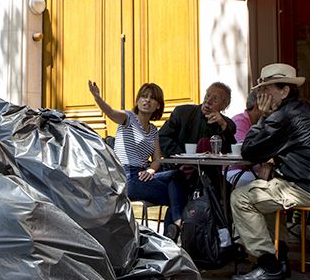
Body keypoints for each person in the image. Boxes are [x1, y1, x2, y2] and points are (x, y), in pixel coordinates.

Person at [230, 63, 310, 280]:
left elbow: (250, 151)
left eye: (267, 90)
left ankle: (268, 267)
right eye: (259, 91)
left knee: (241, 197)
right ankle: (280, 259)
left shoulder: (282, 115)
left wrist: (262, 117)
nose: (260, 96)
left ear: (284, 91)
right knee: (266, 192)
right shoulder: (302, 109)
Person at [88, 80, 186, 238]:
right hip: (126, 178)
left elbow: (157, 159)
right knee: (177, 196)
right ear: (138, 100)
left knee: (176, 177)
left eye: (152, 98)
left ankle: (174, 227)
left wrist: (150, 170)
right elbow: (111, 113)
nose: (147, 100)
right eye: (143, 96)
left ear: (158, 105)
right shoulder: (128, 118)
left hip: (142, 175)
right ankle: (175, 227)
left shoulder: (153, 130)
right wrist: (98, 98)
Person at [158, 82, 237, 157]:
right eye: (207, 96)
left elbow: (231, 151)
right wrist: (182, 158)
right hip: (178, 167)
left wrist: (223, 125)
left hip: (210, 169)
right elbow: (162, 137)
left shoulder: (227, 124)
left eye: (215, 99)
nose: (208, 101)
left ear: (224, 106)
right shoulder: (183, 113)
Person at [226, 89, 262, 187]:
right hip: (235, 171)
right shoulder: (239, 121)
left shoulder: (261, 123)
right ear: (256, 107)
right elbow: (244, 150)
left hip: (250, 170)